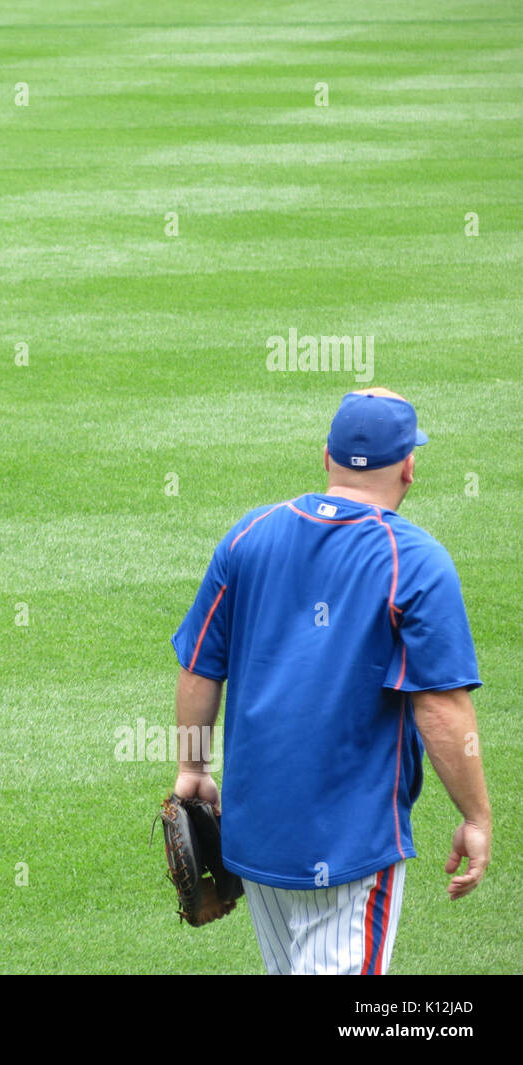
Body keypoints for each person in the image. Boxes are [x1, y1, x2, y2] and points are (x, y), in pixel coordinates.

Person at [170, 388, 491, 975]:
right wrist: (475, 817)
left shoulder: (249, 535)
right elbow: (441, 710)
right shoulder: (414, 560)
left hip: (257, 835)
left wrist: (193, 769)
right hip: (350, 847)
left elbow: (199, 668)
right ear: (410, 467)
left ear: (326, 457)